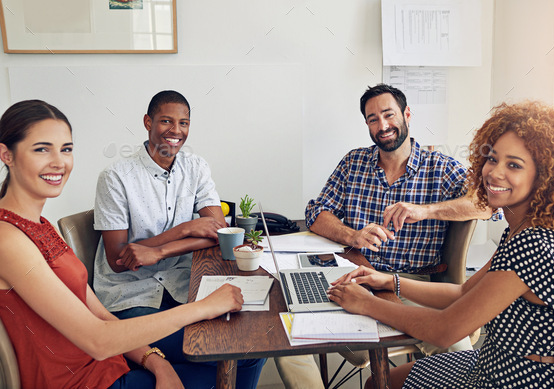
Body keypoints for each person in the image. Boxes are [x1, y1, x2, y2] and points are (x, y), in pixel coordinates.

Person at [328, 101, 554, 389]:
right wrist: (389, 281)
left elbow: (443, 331)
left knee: (379, 384)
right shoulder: (525, 234)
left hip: (512, 379)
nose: (494, 173)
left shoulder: (534, 247)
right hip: (492, 361)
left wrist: (367, 303)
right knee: (382, 381)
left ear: (546, 178)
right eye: (492, 159)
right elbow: (464, 291)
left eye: (513, 165)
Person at [0, 99, 258, 388]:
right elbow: (97, 339)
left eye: (66, 149)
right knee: (244, 353)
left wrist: (158, 364)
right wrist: (205, 307)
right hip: (83, 380)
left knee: (246, 351)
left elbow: (101, 316)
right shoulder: (7, 239)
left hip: (108, 365)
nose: (59, 162)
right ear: (6, 155)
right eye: (41, 149)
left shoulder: (40, 227)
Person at [304, 84, 494, 358]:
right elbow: (316, 212)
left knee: (458, 352)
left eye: (388, 114)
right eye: (373, 119)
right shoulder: (353, 162)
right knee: (286, 322)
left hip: (410, 285)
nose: (382, 125)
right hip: (355, 274)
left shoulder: (440, 167)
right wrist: (352, 235)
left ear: (406, 114)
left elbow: (485, 204)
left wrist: (424, 211)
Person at [92, 90, 264, 384]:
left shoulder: (195, 167)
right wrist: (185, 229)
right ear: (148, 122)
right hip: (130, 298)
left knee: (249, 344)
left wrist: (159, 251)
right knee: (234, 350)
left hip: (183, 287)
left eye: (184, 123)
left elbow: (220, 233)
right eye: (166, 121)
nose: (176, 131)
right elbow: (119, 260)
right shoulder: (116, 176)